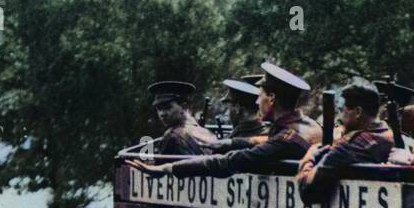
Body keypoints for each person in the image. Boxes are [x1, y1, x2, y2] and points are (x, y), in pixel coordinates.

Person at [126, 63, 318, 179]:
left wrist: (167, 168)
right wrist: (227, 142)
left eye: (260, 96)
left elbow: (229, 162)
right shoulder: (310, 125)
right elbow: (263, 141)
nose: (257, 101)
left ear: (272, 99)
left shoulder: (286, 138)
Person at [296, 78, 395, 204]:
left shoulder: (347, 147)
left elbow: (307, 192)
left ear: (358, 112)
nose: (340, 117)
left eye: (342, 110)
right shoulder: (390, 135)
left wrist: (309, 156)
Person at [139, 81, 219, 156]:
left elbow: (160, 169)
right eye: (159, 109)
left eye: (167, 107)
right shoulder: (208, 133)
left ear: (184, 106)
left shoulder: (172, 136)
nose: (162, 114)